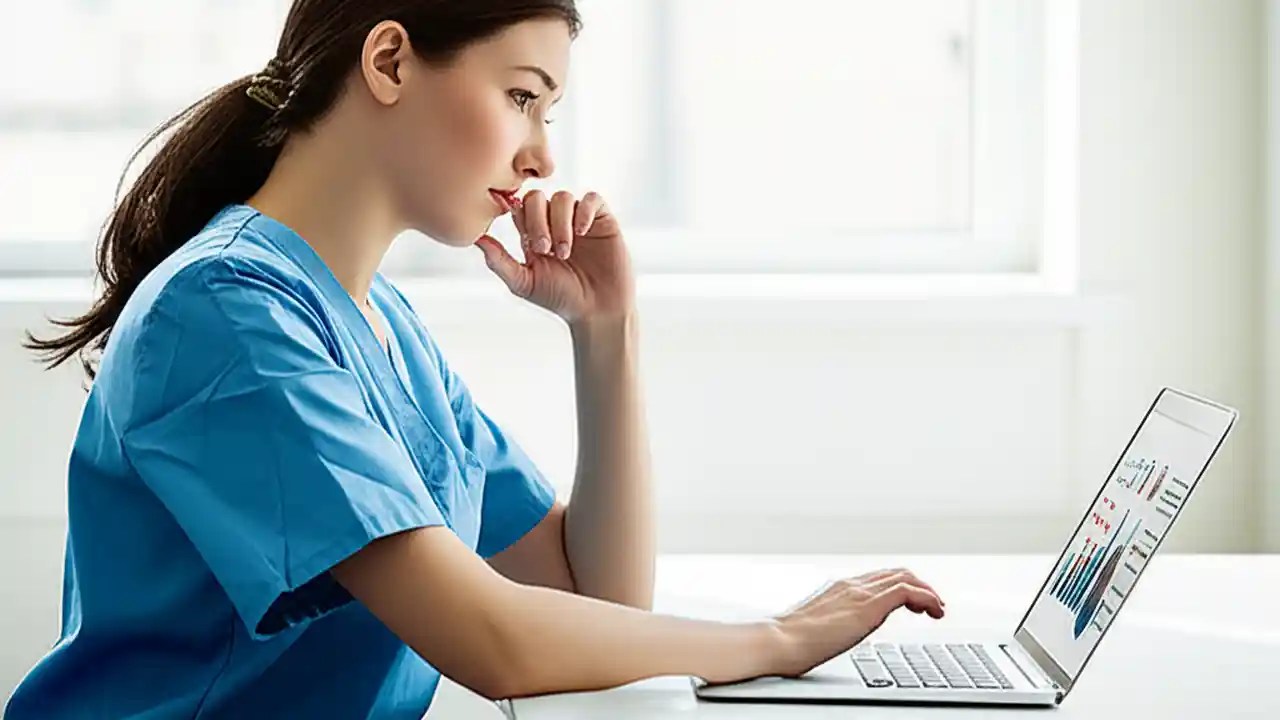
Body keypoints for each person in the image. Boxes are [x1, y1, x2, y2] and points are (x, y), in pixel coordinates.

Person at [8, 1, 947, 717]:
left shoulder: (385, 329)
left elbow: (597, 597)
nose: (541, 154)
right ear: (389, 61)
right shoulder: (226, 313)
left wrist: (605, 331)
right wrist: (776, 639)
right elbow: (494, 642)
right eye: (521, 96)